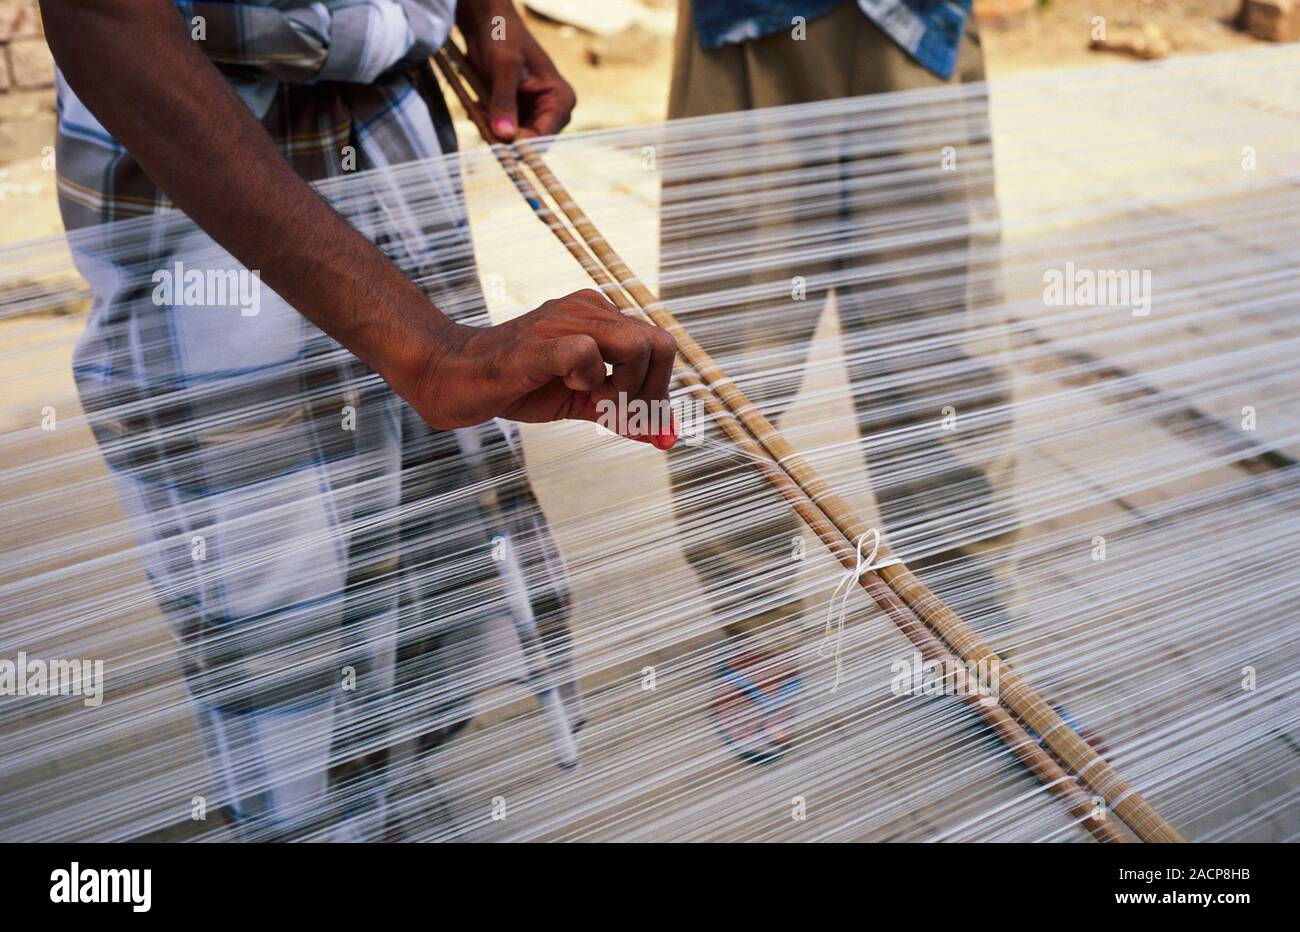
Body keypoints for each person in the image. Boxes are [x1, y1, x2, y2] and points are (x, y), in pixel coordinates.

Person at [41, 0, 675, 840]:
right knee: (279, 591)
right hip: (201, 155)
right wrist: (428, 351)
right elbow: (103, 15)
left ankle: (383, 788)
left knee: (421, 543)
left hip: (383, 117)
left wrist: (489, 18)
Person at [660, 0, 1018, 761]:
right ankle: (755, 632)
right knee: (727, 358)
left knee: (948, 357)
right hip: (748, 29)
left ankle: (974, 637)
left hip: (916, 25)